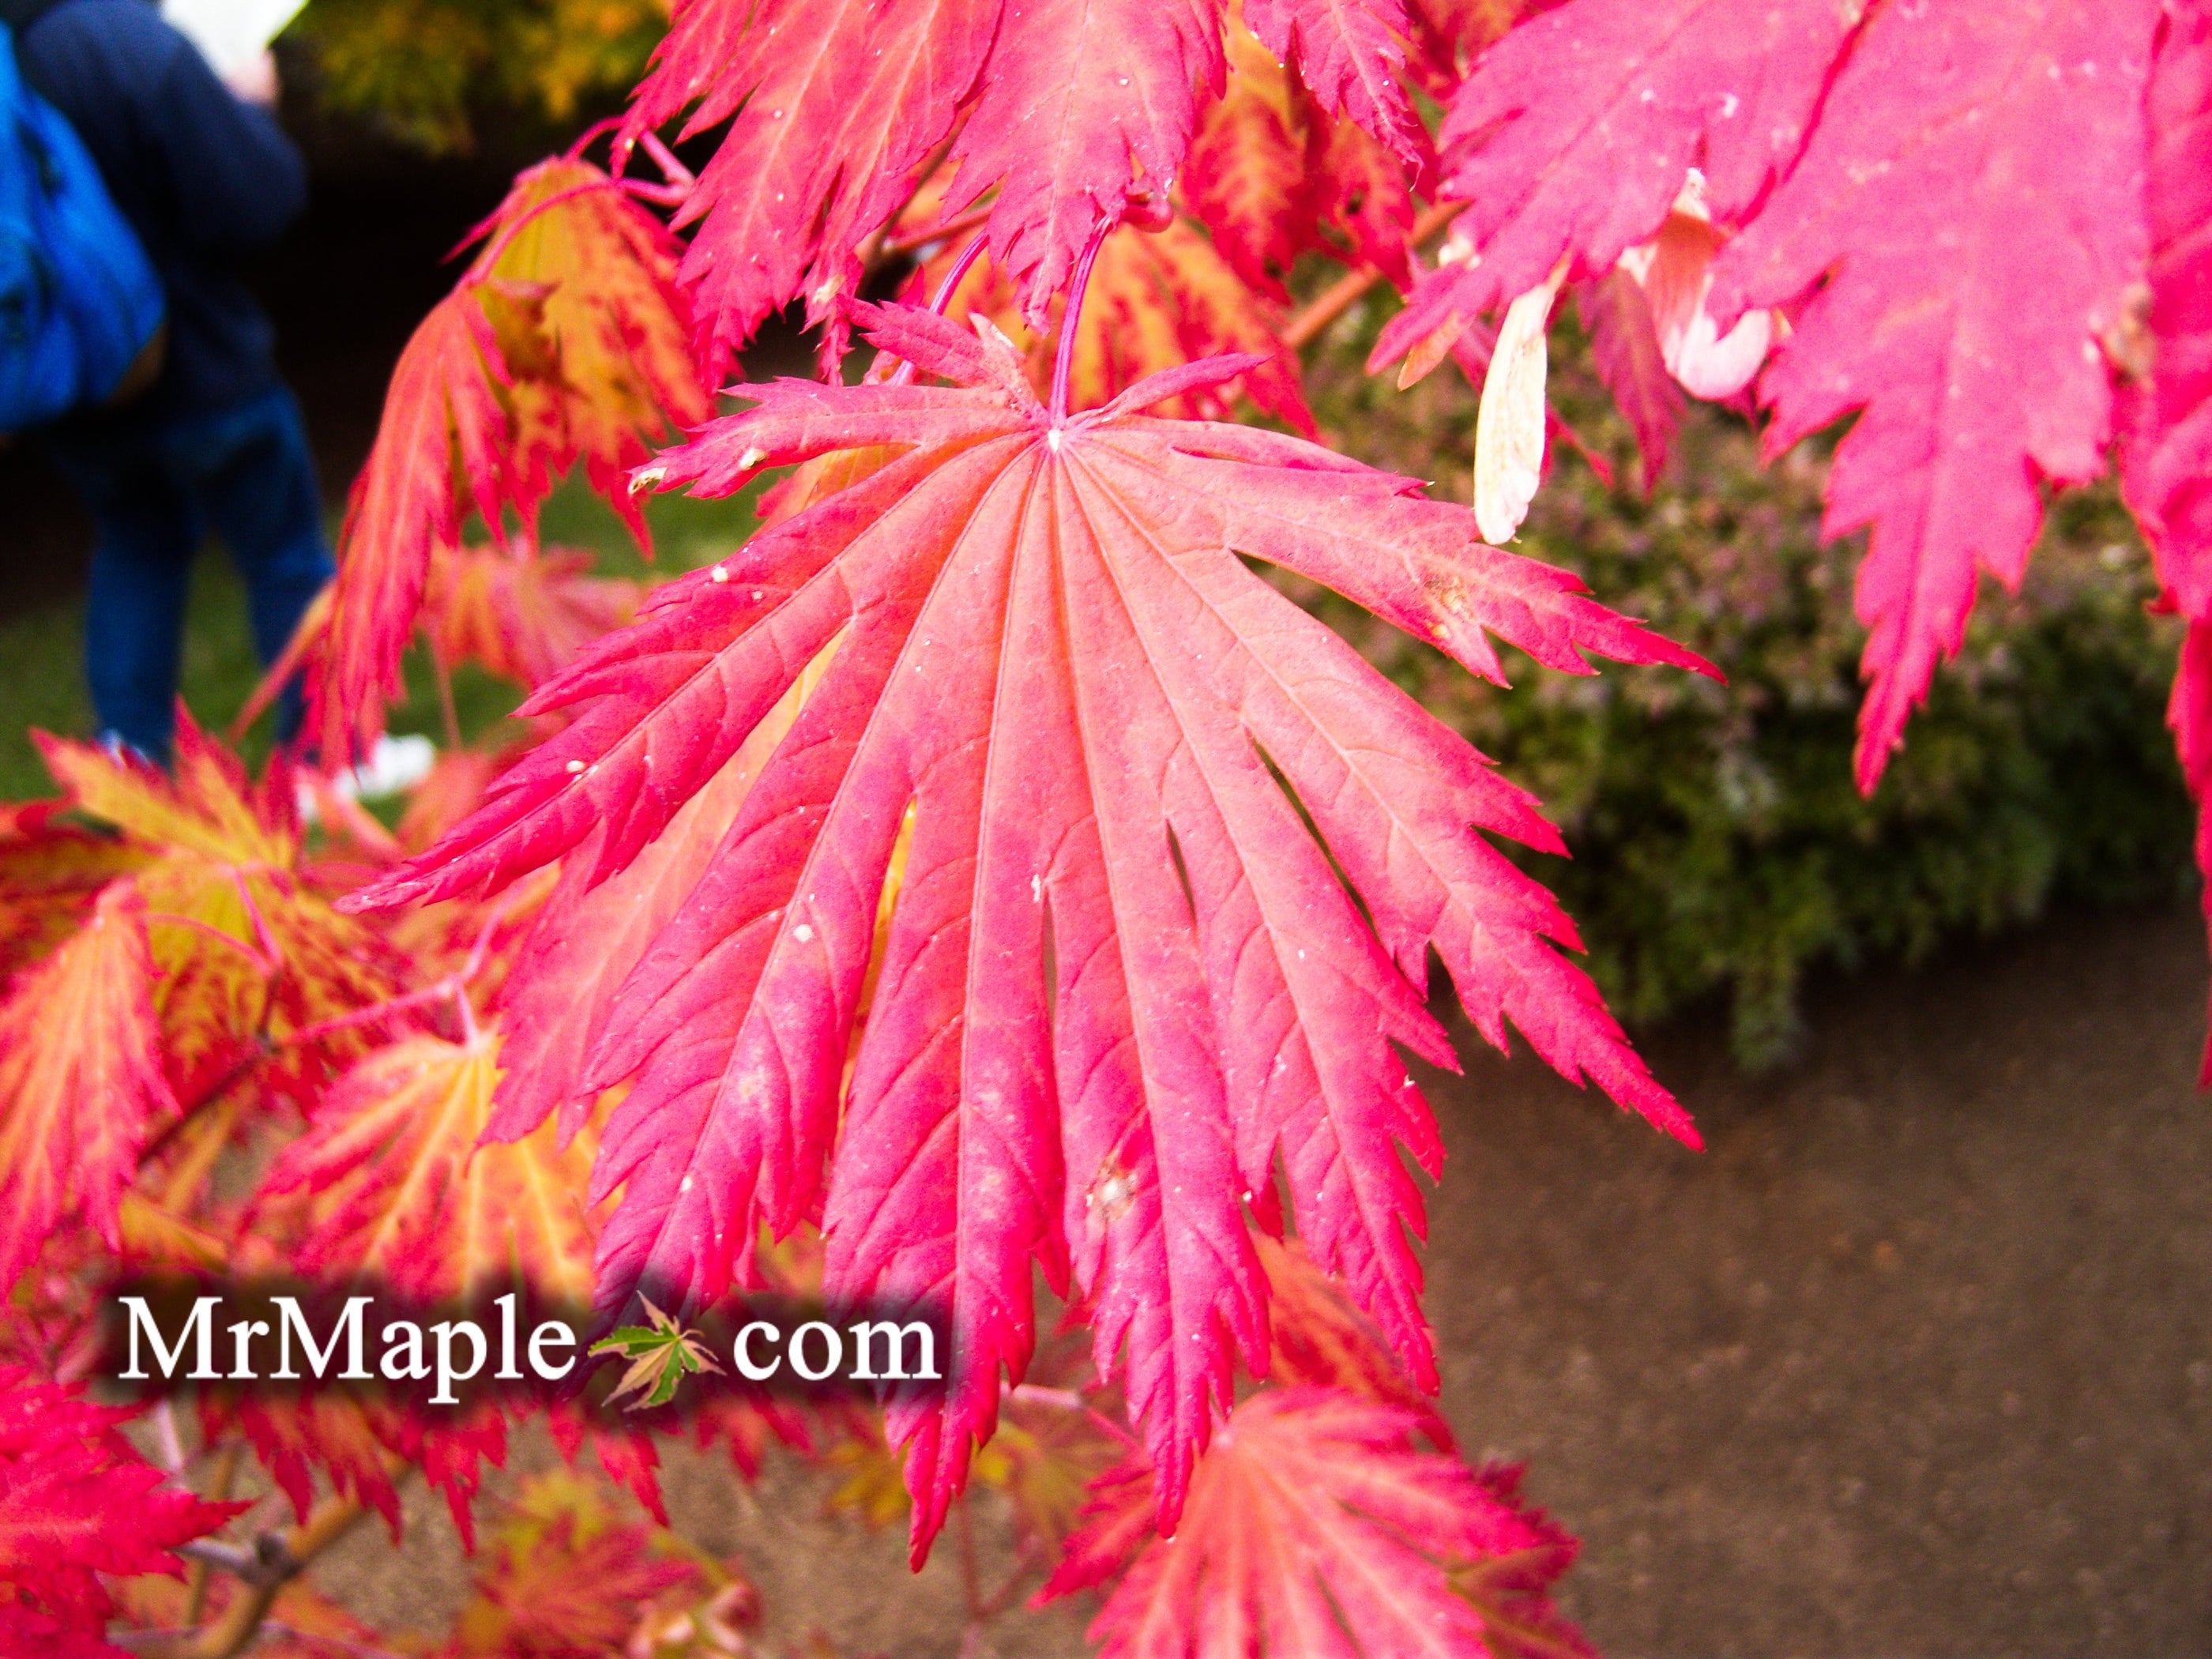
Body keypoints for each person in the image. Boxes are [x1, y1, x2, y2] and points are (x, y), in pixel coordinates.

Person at [4, 0, 329, 765]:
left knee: (136, 549)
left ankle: (128, 764)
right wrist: (252, 105)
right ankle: (325, 755)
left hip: (85, 387)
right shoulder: (120, 38)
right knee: (284, 554)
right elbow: (260, 201)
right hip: (203, 370)